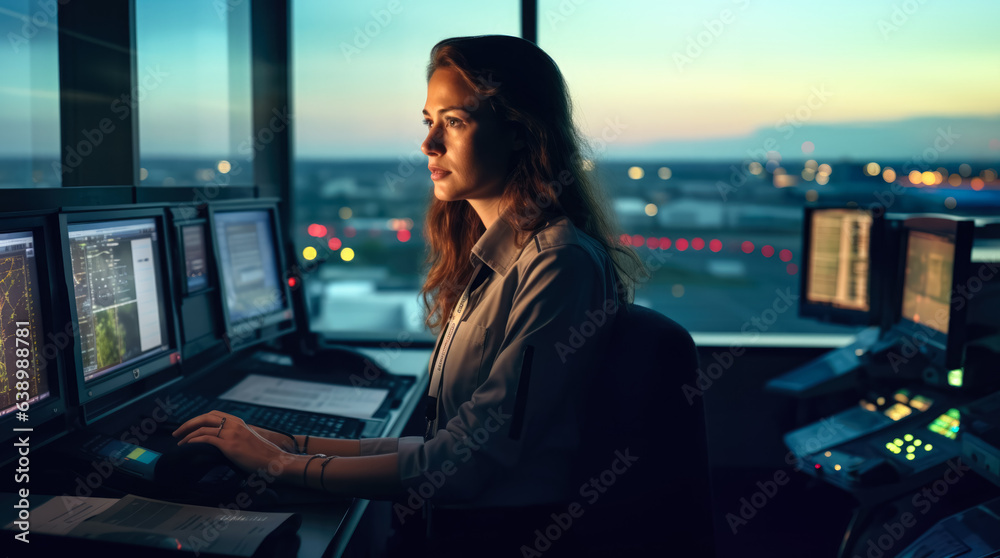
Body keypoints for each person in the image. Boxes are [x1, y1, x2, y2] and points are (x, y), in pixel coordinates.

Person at [173, 34, 645, 556]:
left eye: (455, 121)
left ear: (519, 133)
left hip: (500, 539)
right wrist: (288, 443)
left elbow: (466, 465)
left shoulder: (558, 265)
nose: (429, 145)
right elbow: (444, 443)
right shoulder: (495, 259)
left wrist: (280, 465)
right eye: (429, 121)